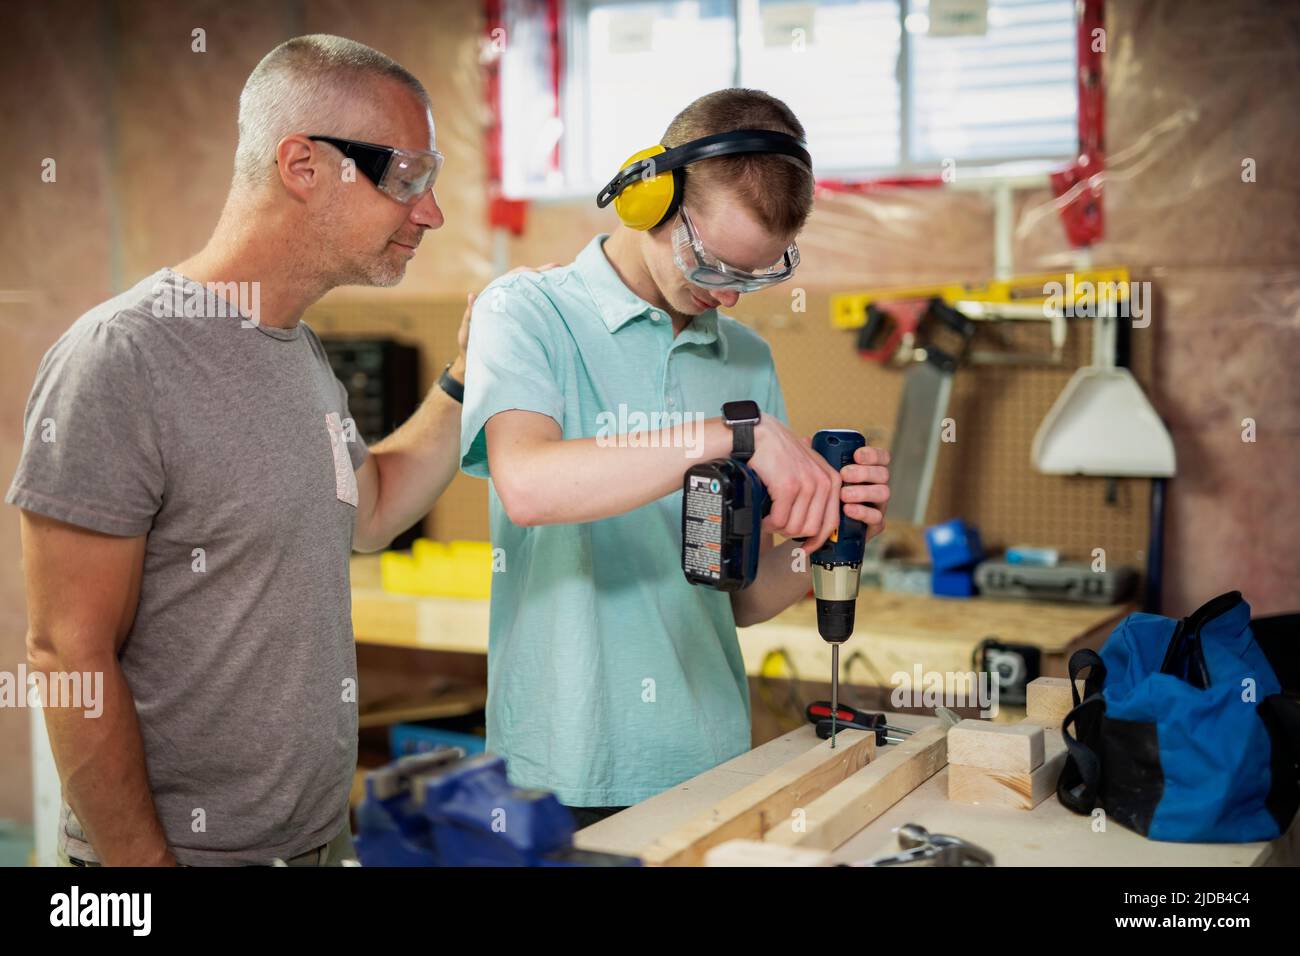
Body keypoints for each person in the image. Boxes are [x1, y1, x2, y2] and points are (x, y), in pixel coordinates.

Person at [8, 35, 471, 866]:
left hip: (315, 843)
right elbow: (65, 652)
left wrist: (465, 382)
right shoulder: (125, 355)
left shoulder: (296, 349)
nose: (430, 212)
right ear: (303, 166)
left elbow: (368, 513)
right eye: (407, 177)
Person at [460, 89, 891, 828]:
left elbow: (741, 598)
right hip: (561, 763)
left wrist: (834, 535)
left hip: (709, 760)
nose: (724, 297)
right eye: (711, 262)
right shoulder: (526, 312)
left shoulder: (744, 356)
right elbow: (528, 484)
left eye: (753, 278)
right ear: (646, 199)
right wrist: (725, 436)